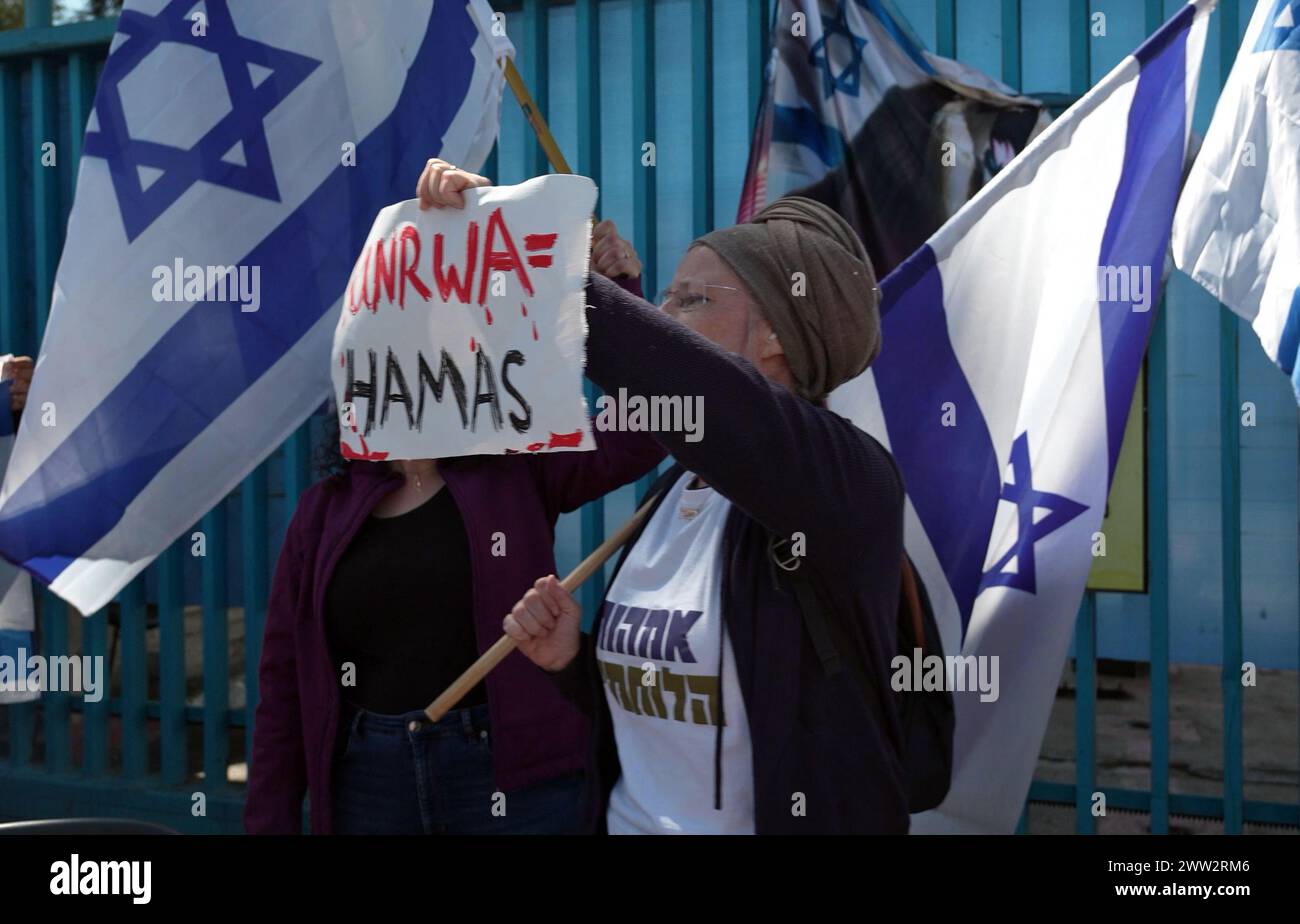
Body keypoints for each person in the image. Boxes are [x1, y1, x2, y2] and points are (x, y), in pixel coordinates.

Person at [421, 160, 911, 833]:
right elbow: (664, 725)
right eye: (665, 299)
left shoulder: (844, 485)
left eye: (692, 299)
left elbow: (694, 388)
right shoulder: (673, 492)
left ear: (776, 334)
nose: (663, 315)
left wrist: (517, 246)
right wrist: (573, 663)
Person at [243, 160, 661, 835]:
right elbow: (283, 685)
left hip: (514, 784)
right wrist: (269, 821)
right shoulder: (324, 512)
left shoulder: (517, 468)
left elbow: (645, 429)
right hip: (368, 785)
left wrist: (614, 297)